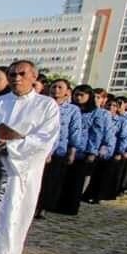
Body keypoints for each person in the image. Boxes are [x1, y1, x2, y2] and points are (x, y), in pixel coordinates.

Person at [0, 60, 59, 254]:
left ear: (34, 76)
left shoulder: (46, 105)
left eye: (22, 74)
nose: (16, 78)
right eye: (12, 74)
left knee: (15, 212)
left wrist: (12, 146)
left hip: (22, 170)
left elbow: (45, 138)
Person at [55, 84, 101, 215]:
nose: (78, 97)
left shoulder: (95, 113)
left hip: (83, 150)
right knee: (62, 178)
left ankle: (70, 207)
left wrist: (92, 151)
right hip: (66, 147)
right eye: (76, 94)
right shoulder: (70, 109)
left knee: (76, 180)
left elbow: (96, 133)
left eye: (82, 95)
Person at [38, 78, 81, 214]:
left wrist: (72, 151)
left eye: (60, 87)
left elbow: (74, 130)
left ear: (67, 91)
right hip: (40, 148)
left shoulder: (73, 110)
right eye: (54, 87)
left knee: (52, 180)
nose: (56, 90)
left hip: (59, 150)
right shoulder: (42, 104)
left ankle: (44, 207)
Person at [82, 88, 116, 204]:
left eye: (98, 97)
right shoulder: (84, 110)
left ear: (103, 100)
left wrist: (105, 149)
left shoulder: (104, 114)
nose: (95, 99)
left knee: (87, 173)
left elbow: (108, 134)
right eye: (93, 96)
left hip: (94, 149)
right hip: (80, 146)